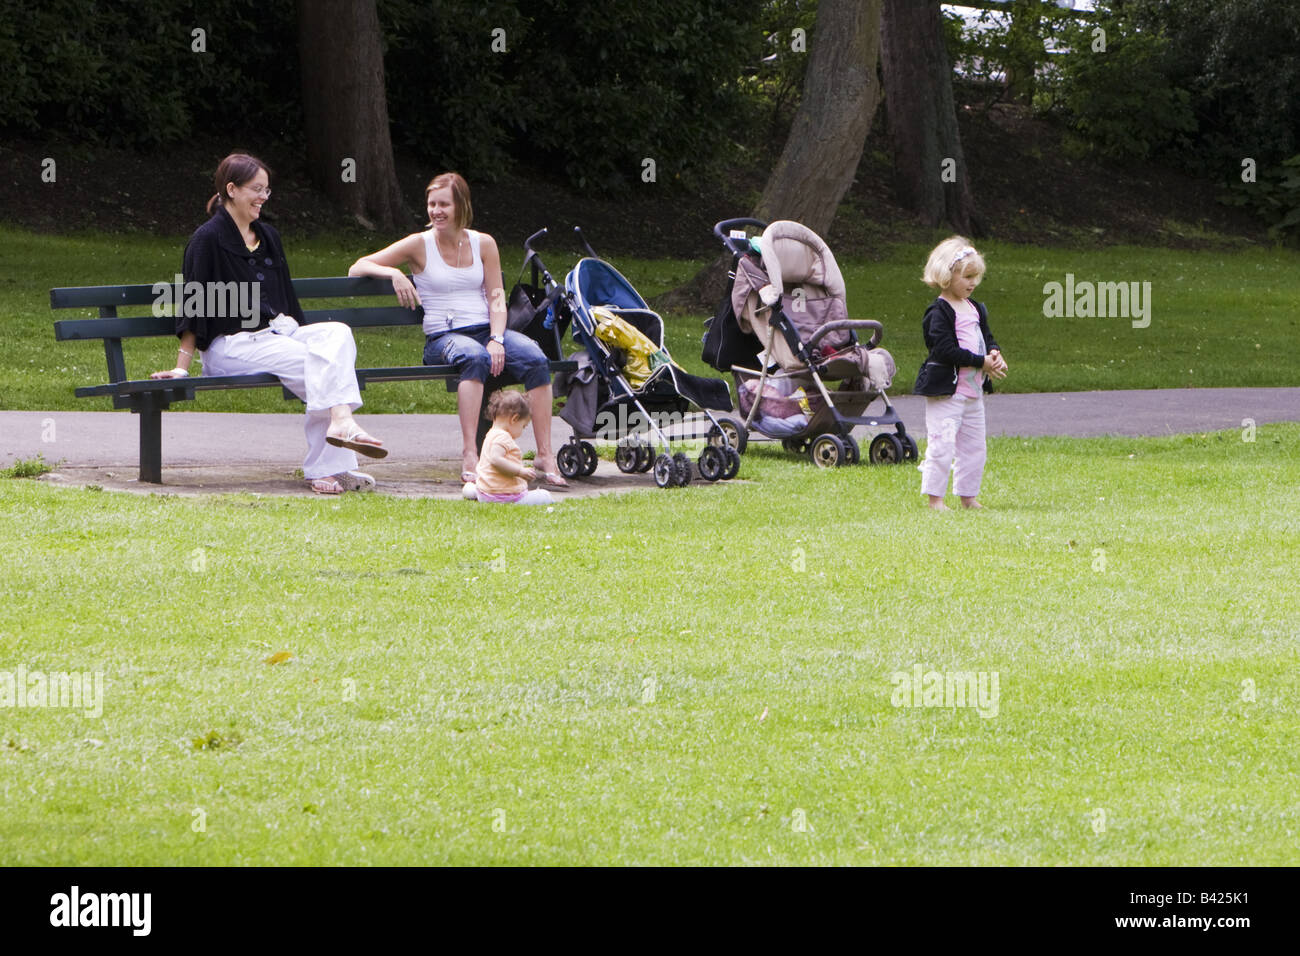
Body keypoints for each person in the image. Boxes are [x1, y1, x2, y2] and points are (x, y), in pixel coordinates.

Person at [151, 152, 386, 495]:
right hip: (231, 346)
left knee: (337, 336)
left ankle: (339, 429)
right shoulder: (208, 239)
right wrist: (182, 368)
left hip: (279, 335)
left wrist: (305, 335)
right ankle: (334, 459)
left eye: (267, 190)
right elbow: (194, 304)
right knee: (318, 365)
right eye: (256, 189)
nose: (263, 197)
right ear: (231, 189)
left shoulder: (269, 237)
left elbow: (287, 299)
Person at [347, 171, 566, 488]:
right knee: (474, 356)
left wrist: (497, 338)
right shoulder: (418, 244)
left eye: (443, 204)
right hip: (443, 339)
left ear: (461, 206)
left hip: (484, 332)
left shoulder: (484, 244)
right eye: (431, 204)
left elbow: (496, 300)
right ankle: (470, 454)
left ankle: (545, 455)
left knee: (535, 356)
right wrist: (393, 274)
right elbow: (358, 266)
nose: (436, 211)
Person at [913, 236, 1008, 511]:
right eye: (967, 277)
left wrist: (994, 353)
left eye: (976, 277)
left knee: (975, 447)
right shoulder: (938, 312)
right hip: (947, 392)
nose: (972, 283)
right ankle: (936, 499)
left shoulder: (976, 308)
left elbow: (987, 337)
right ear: (947, 275)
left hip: (973, 392)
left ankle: (968, 496)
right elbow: (943, 350)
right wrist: (981, 362)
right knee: (942, 445)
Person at [468, 390, 554, 506]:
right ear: (514, 419)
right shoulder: (503, 437)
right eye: (523, 426)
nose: (522, 430)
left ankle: (470, 490)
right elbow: (496, 459)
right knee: (544, 495)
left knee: (470, 488)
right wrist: (520, 471)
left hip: (485, 493)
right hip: (504, 495)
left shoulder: (490, 435)